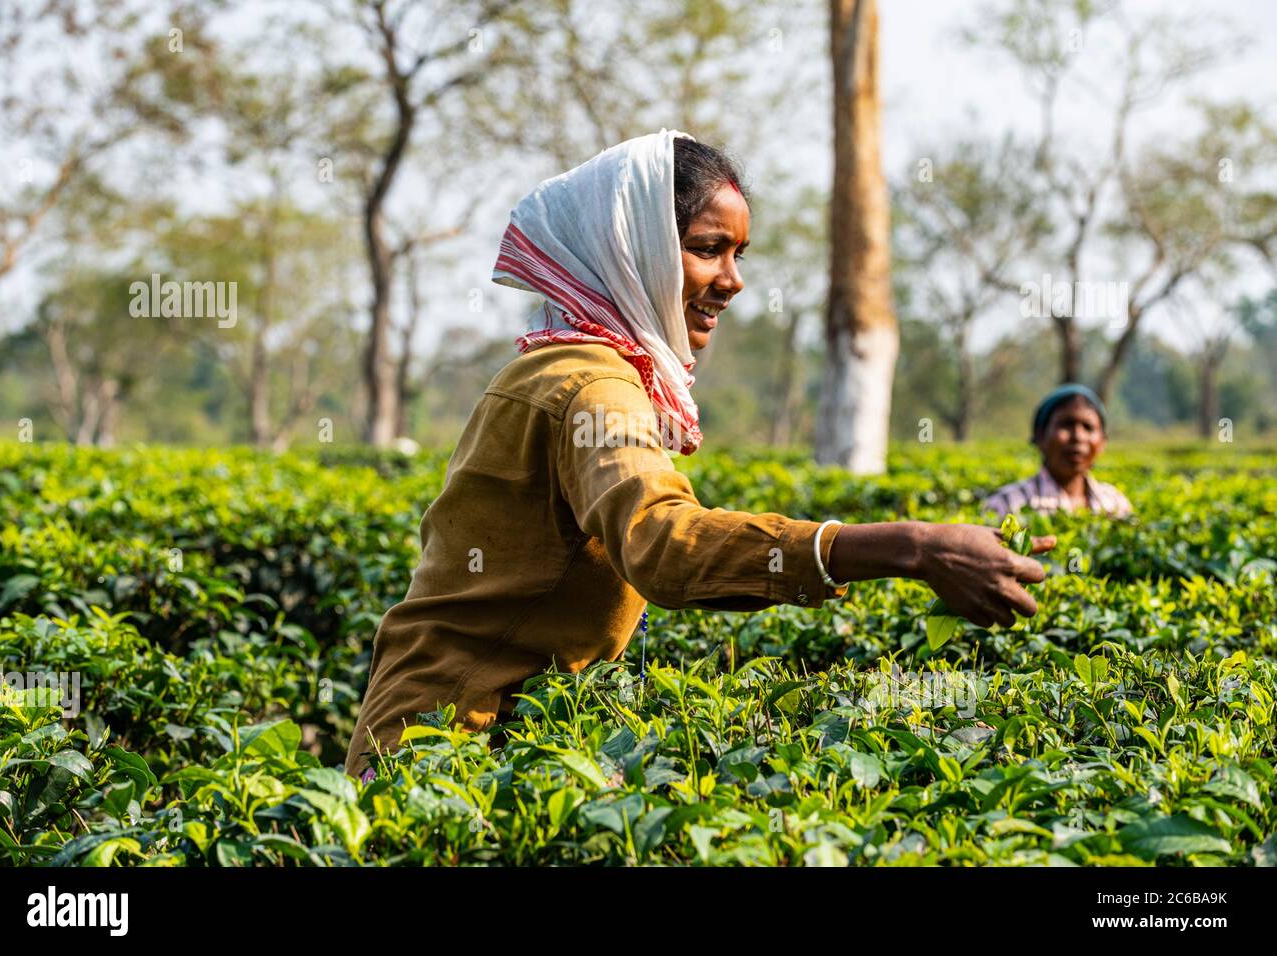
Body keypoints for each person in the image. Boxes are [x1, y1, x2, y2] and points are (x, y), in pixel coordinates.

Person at [343, 129, 1056, 781]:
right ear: (636, 246)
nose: (732, 279)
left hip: (462, 729)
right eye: (707, 248)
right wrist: (913, 548)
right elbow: (666, 544)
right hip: (440, 747)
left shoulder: (565, 364)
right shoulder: (593, 386)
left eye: (738, 255)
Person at [984, 383, 1134, 520]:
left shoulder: (1116, 505)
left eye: (1088, 427)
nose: (1078, 436)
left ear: (1102, 442)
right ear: (1040, 436)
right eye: (1066, 424)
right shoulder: (1006, 504)